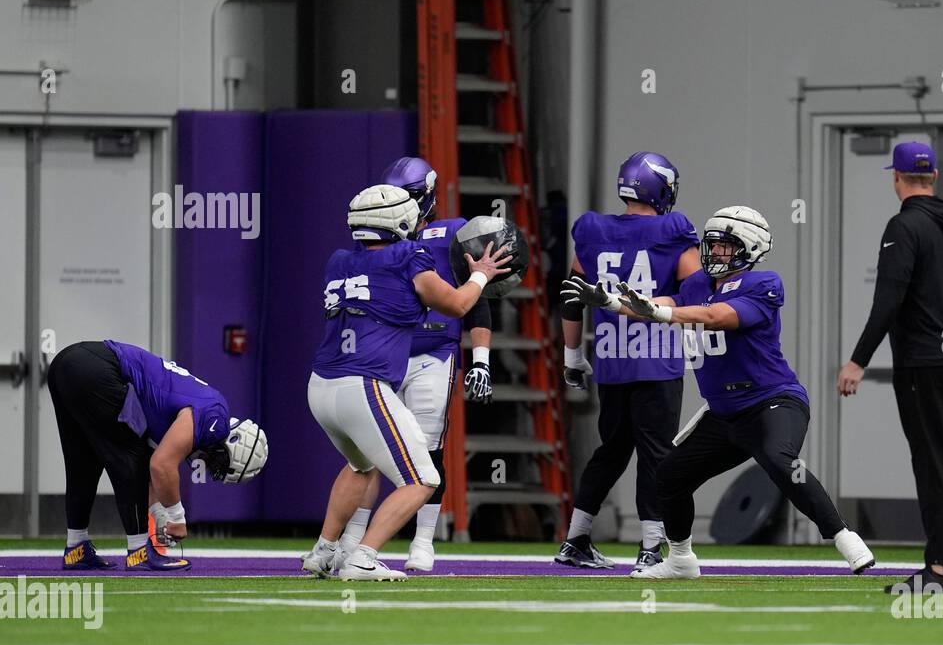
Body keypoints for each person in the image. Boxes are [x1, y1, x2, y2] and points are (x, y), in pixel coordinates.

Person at [563, 205, 874, 580]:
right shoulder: (696, 285)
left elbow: (716, 316)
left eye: (724, 246)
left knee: (778, 460)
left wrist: (660, 314)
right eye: (711, 245)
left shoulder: (764, 283)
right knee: (670, 475)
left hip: (772, 401)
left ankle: (844, 538)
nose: (714, 253)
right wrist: (613, 303)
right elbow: (665, 304)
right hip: (723, 414)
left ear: (750, 247)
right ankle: (680, 559)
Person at [300, 184, 513, 581]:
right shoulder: (409, 255)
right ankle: (363, 557)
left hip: (321, 385)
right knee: (423, 479)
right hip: (361, 384)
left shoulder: (339, 260)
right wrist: (480, 276)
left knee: (359, 466)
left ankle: (323, 551)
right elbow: (458, 304)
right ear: (398, 221)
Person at [836, 141, 943, 591]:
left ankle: (941, 569)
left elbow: (889, 299)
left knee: (932, 464)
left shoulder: (903, 227)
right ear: (935, 176)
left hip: (923, 363)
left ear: (896, 178)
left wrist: (858, 361)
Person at [556, 151, 701, 571]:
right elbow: (694, 293)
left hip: (613, 361)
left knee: (612, 450)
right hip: (655, 357)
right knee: (658, 453)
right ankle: (651, 547)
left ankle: (575, 539)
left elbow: (571, 297)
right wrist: (664, 305)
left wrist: (573, 356)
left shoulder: (592, 229)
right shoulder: (673, 228)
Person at [47, 339, 267, 572]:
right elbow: (160, 465)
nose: (211, 465)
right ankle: (139, 552)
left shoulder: (196, 412)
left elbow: (151, 467)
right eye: (220, 461)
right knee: (128, 455)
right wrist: (177, 518)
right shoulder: (216, 417)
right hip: (98, 366)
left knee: (83, 462)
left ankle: (76, 547)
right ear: (233, 441)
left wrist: (159, 513)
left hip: (67, 362)